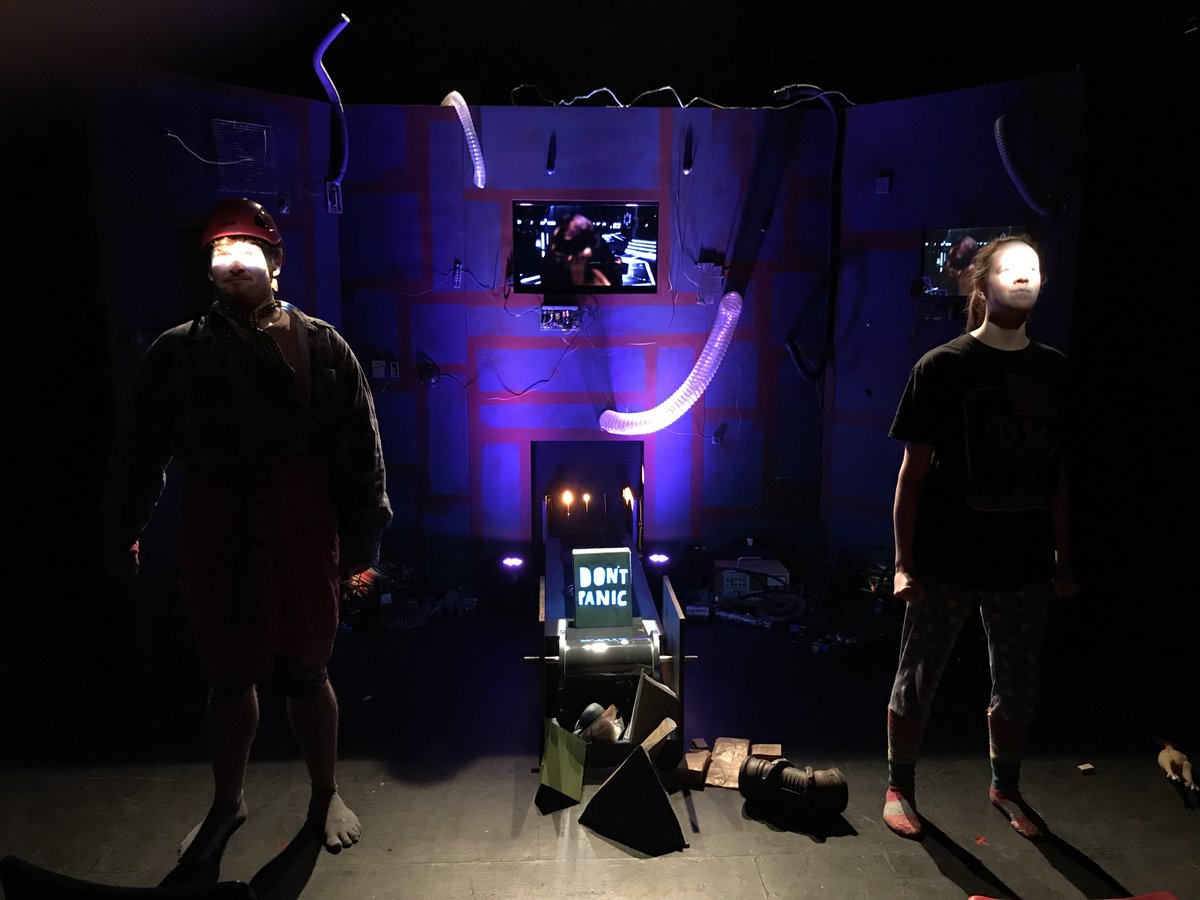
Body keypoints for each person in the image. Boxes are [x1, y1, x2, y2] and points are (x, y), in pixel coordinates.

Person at [103, 197, 392, 860]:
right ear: (207, 267)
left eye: (248, 249)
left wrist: (364, 540)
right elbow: (139, 451)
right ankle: (227, 801)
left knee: (306, 668)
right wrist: (122, 529)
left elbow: (360, 450)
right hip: (219, 525)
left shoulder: (323, 345)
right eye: (221, 251)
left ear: (275, 263)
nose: (234, 261)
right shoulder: (177, 352)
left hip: (301, 527)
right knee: (229, 677)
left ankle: (325, 792)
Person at [883, 235, 1078, 841]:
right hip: (946, 554)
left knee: (1018, 681)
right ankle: (899, 786)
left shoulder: (1055, 371)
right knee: (919, 674)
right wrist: (903, 562)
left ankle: (1005, 785)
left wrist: (1063, 558)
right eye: (1011, 267)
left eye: (1033, 268)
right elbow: (912, 476)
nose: (1024, 275)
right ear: (980, 283)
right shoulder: (942, 368)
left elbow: (1058, 477)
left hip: (1022, 558)